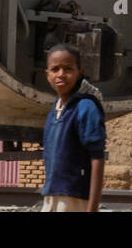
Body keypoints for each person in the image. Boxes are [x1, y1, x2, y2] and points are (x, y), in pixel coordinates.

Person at [40, 44, 106, 212]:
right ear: (47, 75)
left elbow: (97, 157)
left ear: (80, 72)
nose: (61, 74)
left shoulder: (86, 106)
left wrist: (93, 208)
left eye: (68, 68)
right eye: (55, 69)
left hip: (74, 199)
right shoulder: (55, 109)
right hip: (52, 195)